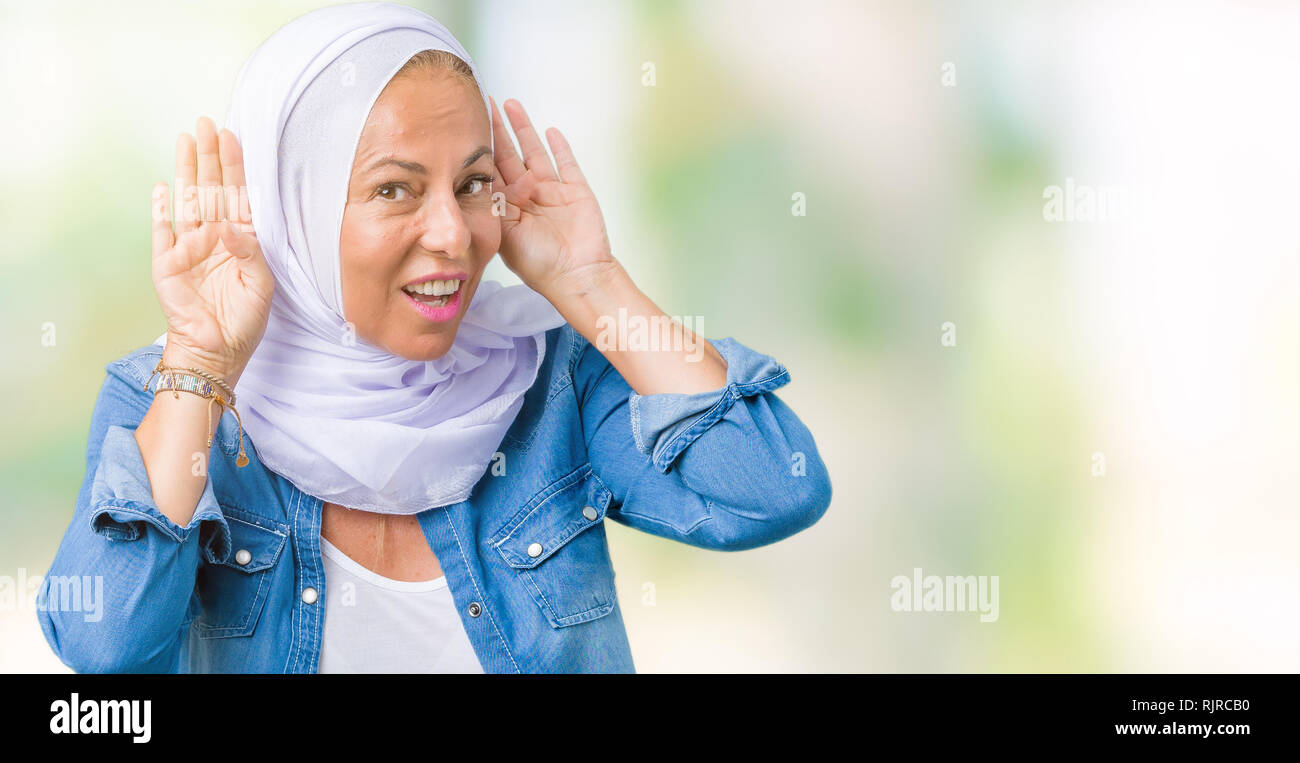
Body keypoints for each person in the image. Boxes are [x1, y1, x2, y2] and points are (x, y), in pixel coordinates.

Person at [37, 1, 831, 673]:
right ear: (295, 207)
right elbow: (101, 642)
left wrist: (592, 284)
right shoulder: (178, 399)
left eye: (473, 183)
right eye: (395, 189)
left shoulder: (550, 382)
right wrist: (202, 364)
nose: (453, 234)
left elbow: (773, 487)